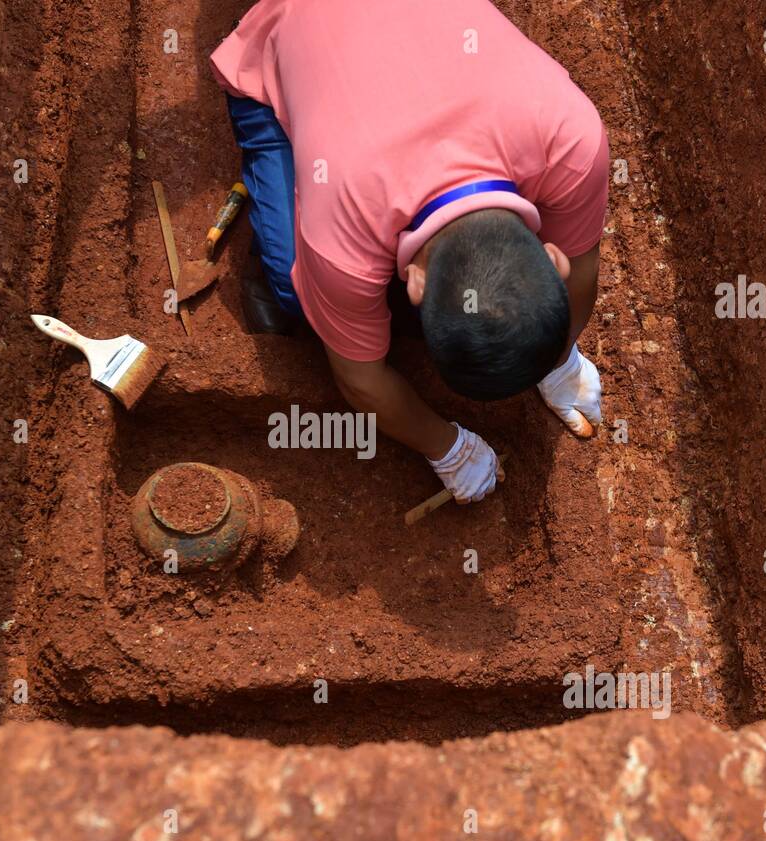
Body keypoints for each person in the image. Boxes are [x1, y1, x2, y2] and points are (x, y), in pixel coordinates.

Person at [211, 0, 608, 503]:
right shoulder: (340, 240)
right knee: (298, 296)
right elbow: (359, 379)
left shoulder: (574, 140)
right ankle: (269, 252)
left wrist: (560, 361)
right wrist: (447, 447)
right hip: (286, 22)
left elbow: (584, 269)